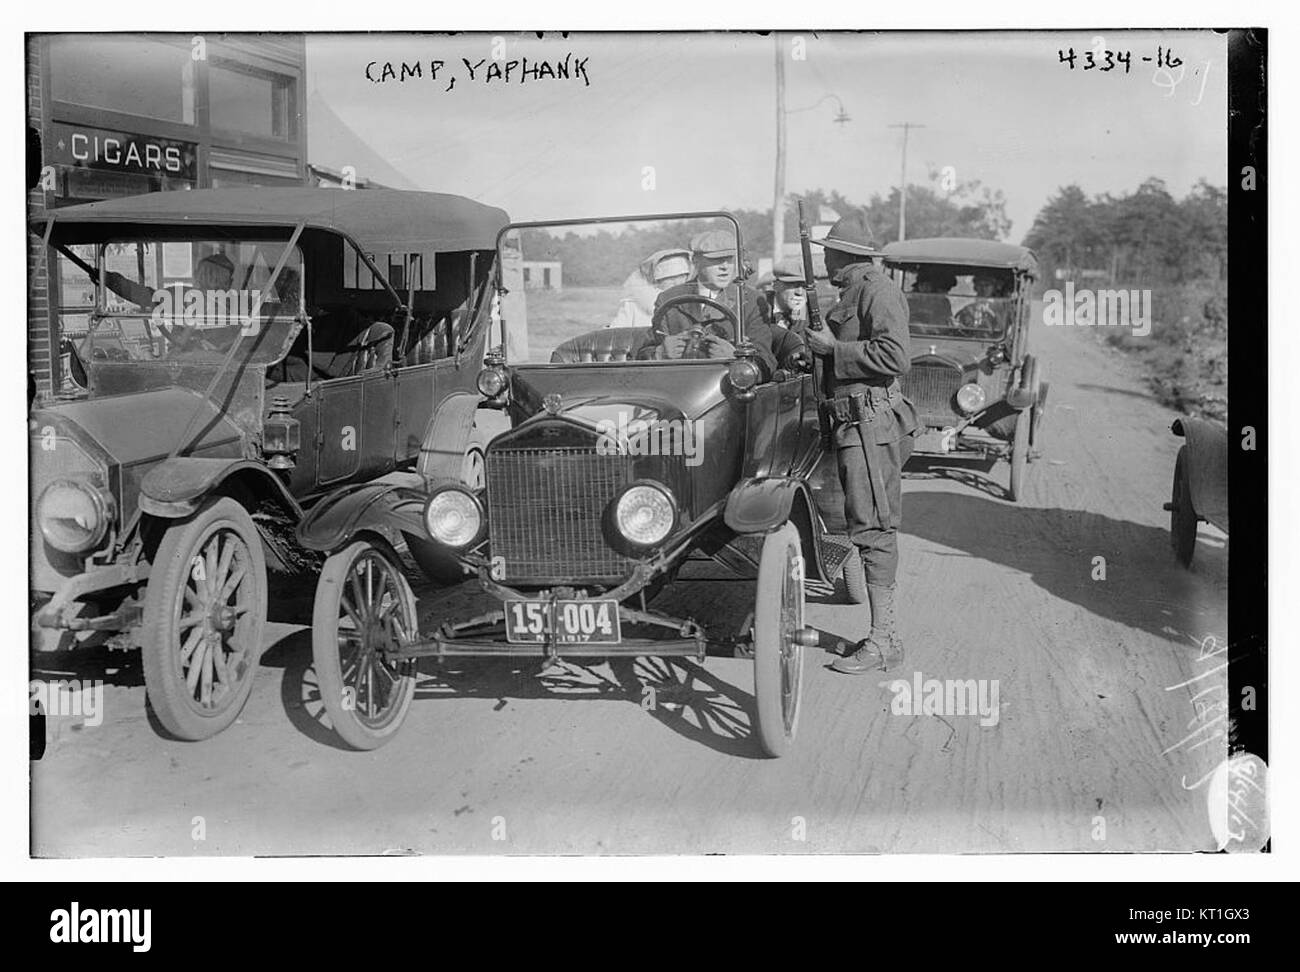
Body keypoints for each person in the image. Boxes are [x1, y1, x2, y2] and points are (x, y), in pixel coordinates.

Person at [805, 211, 919, 674]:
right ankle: (882, 637)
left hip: (870, 425)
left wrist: (835, 351)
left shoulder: (878, 290)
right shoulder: (853, 291)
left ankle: (882, 641)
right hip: (854, 425)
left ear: (842, 256)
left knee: (873, 530)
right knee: (863, 525)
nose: (825, 259)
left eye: (828, 252)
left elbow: (896, 356)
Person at [639, 230, 778, 379]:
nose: (725, 266)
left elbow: (766, 364)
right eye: (716, 260)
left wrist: (736, 357)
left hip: (728, 391)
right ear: (696, 262)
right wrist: (660, 353)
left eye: (730, 259)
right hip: (677, 388)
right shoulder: (669, 299)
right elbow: (640, 356)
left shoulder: (752, 302)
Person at [609, 248, 692, 327]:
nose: (677, 283)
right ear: (657, 282)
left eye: (682, 276)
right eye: (670, 279)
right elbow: (614, 334)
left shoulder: (695, 302)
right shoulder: (633, 307)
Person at [759, 262, 812, 370]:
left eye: (804, 286)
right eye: (793, 285)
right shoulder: (759, 309)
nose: (800, 292)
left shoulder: (808, 314)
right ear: (776, 286)